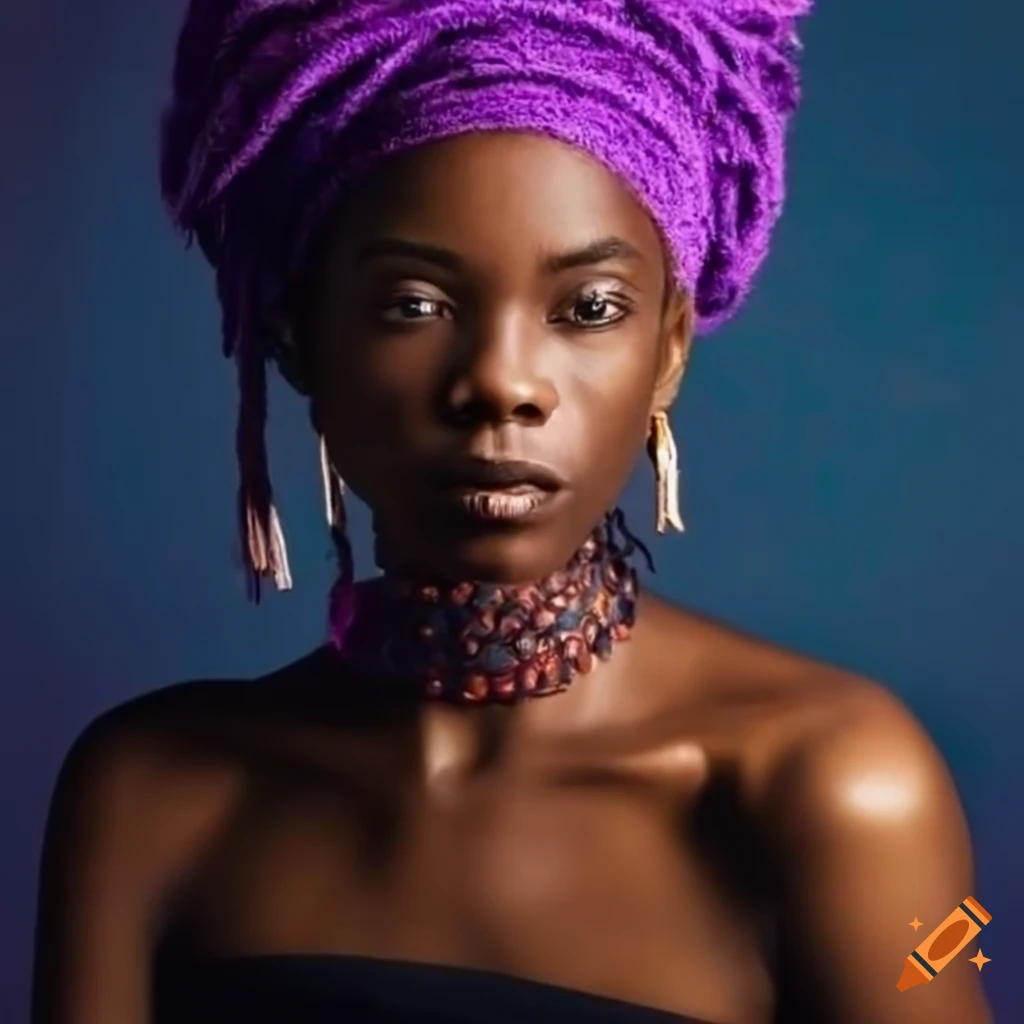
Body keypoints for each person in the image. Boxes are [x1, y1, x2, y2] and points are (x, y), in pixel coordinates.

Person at [31, 1, 993, 1022]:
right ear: (296, 337)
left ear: (669, 346)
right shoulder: (149, 792)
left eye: (588, 309)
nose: (500, 383)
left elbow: (937, 960)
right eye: (414, 304)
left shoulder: (839, 788)